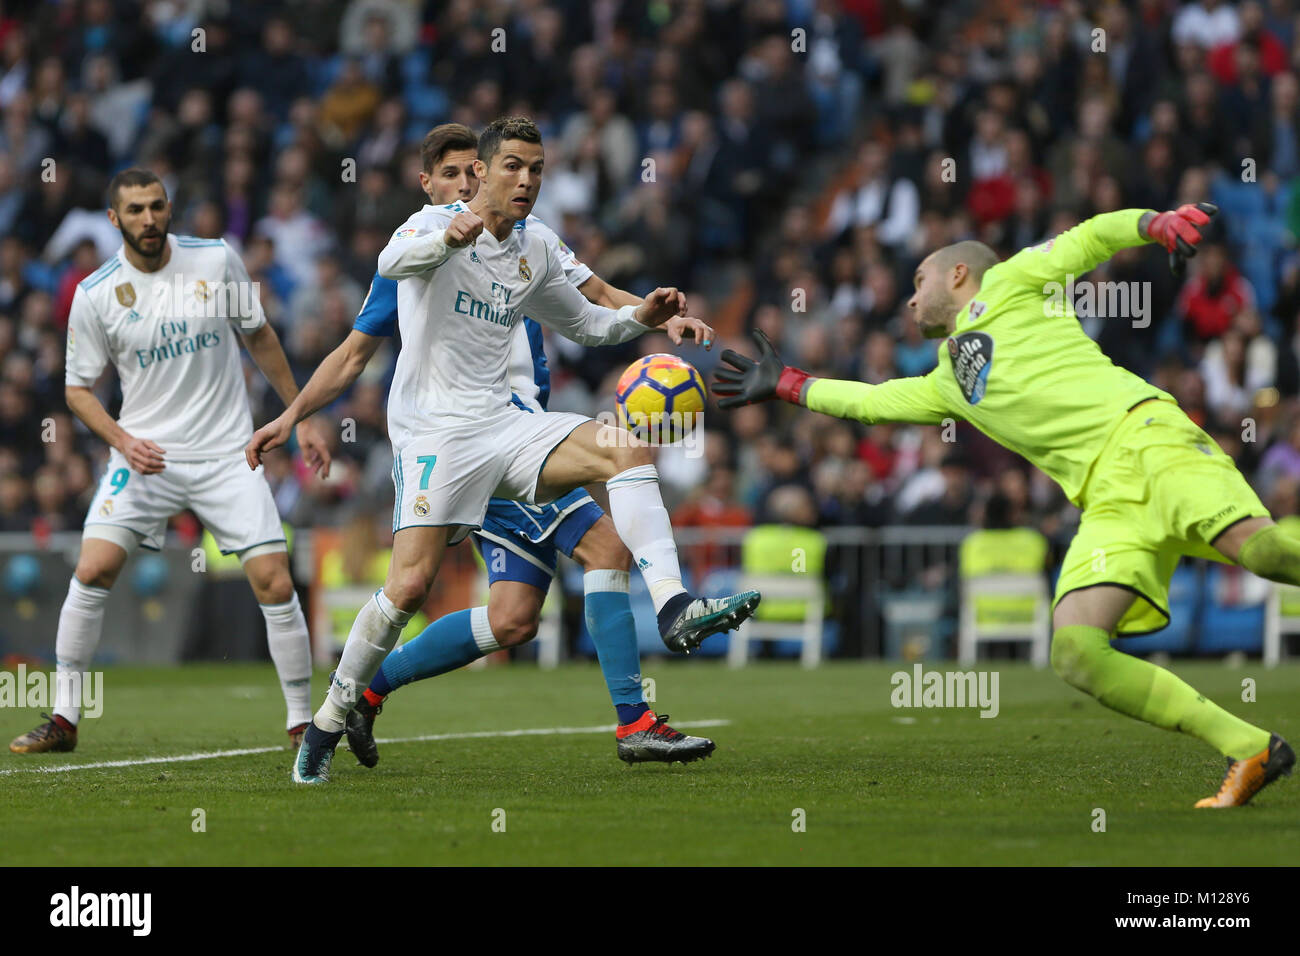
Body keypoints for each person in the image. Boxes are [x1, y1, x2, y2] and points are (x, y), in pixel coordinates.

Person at [714, 202, 1295, 808]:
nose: (910, 302)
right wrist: (790, 385)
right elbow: (872, 402)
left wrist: (1154, 224)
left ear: (960, 275)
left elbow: (1089, 238)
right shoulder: (946, 381)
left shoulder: (1015, 282)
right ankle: (1249, 745)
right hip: (1106, 503)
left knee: (1264, 551)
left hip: (1146, 437)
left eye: (919, 283)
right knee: (1076, 652)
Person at [248, 116, 761, 784]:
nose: (526, 180)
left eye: (537, 168)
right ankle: (333, 714)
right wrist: (443, 238)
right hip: (436, 438)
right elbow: (387, 266)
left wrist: (647, 317)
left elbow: (589, 320)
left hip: (509, 424)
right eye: (513, 166)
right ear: (481, 171)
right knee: (408, 587)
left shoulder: (536, 245)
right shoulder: (429, 225)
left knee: (626, 449)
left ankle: (671, 606)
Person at [9, 168, 331, 755]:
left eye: (157, 207)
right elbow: (77, 389)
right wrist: (122, 440)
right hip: (145, 456)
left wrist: (300, 416)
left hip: (228, 453)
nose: (149, 219)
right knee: (93, 569)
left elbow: (259, 337)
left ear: (169, 209)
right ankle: (63, 719)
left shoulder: (216, 261)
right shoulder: (95, 294)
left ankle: (302, 724)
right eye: (135, 210)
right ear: (115, 220)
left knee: (275, 580)